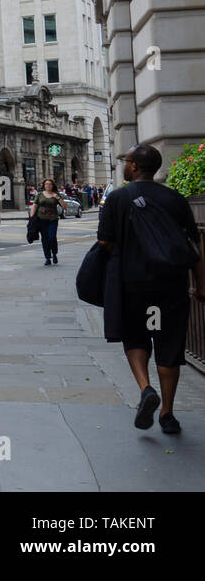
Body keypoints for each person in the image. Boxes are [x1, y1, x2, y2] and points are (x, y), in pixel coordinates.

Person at [97, 144, 205, 434]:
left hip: (134, 284)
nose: (124, 164)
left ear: (133, 166)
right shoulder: (175, 198)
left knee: (137, 338)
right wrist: (202, 284)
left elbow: (105, 242)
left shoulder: (118, 198)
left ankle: (146, 390)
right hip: (171, 285)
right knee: (169, 347)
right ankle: (168, 414)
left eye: (126, 160)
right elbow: (194, 244)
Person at [30, 177, 62, 266]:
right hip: (41, 220)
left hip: (53, 220)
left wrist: (58, 198)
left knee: (52, 237)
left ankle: (54, 253)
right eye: (46, 184)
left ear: (53, 185)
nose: (48, 185)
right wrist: (32, 218)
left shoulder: (56, 194)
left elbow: (65, 206)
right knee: (45, 239)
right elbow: (34, 206)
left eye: (50, 184)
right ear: (44, 185)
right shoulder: (39, 195)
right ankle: (47, 258)